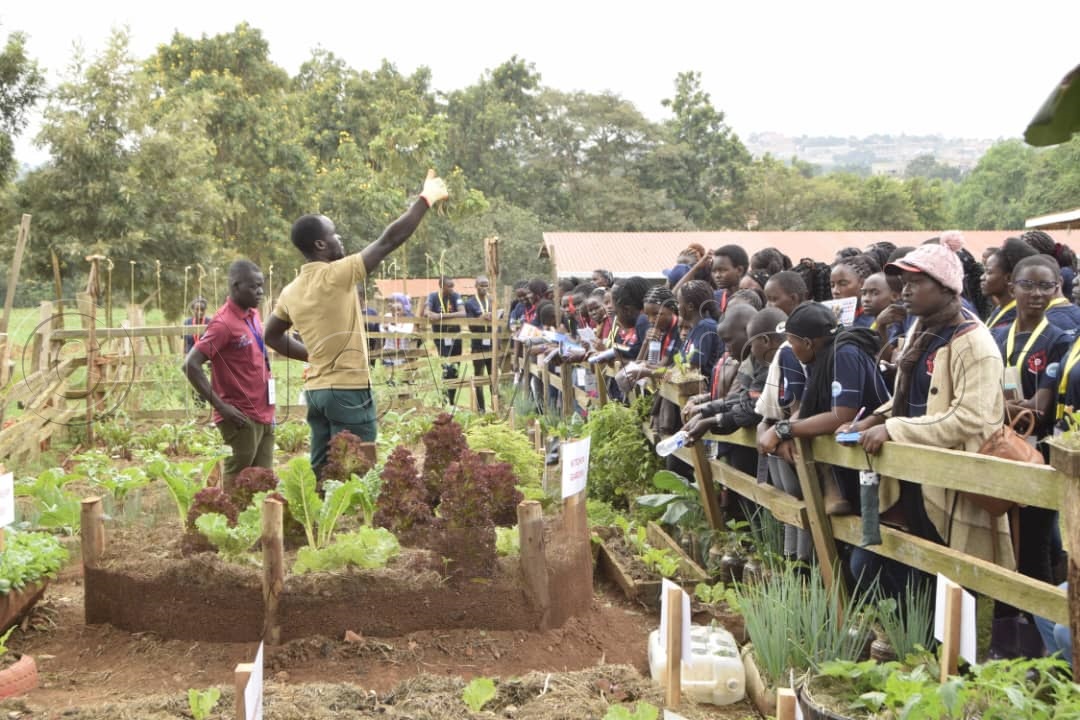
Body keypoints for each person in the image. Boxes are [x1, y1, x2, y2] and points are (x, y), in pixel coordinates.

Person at [842, 243, 1013, 603]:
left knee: (946, 582)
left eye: (916, 283)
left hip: (950, 481)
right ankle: (910, 632)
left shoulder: (973, 342)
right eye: (903, 283)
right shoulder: (922, 330)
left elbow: (969, 417)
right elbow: (908, 396)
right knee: (883, 567)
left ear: (947, 287)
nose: (905, 290)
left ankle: (940, 639)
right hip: (912, 473)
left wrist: (893, 429)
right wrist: (873, 418)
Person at [263, 170, 448, 475]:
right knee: (359, 467)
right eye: (334, 234)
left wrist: (313, 356)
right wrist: (425, 199)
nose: (340, 239)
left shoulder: (290, 291)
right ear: (320, 245)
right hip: (348, 390)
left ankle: (319, 508)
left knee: (322, 470)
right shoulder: (338, 274)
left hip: (316, 393)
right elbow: (389, 240)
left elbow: (271, 335)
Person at [182, 261, 274, 488]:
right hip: (240, 416)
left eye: (261, 286)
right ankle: (227, 512)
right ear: (235, 286)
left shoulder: (253, 314)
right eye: (253, 287)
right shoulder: (223, 324)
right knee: (238, 479)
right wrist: (222, 407)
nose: (260, 292)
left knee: (263, 479)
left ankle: (257, 513)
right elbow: (191, 365)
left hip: (264, 411)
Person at [428, 276, 467, 405]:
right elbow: (427, 312)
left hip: (456, 336)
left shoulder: (455, 296)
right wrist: (434, 315)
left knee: (455, 369)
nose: (452, 288)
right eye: (449, 286)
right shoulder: (433, 297)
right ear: (441, 286)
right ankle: (444, 399)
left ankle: (452, 400)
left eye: (452, 286)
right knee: (446, 368)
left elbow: (462, 313)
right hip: (441, 338)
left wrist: (440, 316)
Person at [465, 275, 494, 413]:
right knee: (479, 377)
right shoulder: (470, 303)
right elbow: (471, 326)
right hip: (478, 345)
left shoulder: (492, 300)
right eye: (481, 285)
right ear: (476, 286)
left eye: (486, 285)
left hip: (492, 344)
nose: (484, 288)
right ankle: (481, 409)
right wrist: (481, 318)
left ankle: (495, 406)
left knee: (493, 376)